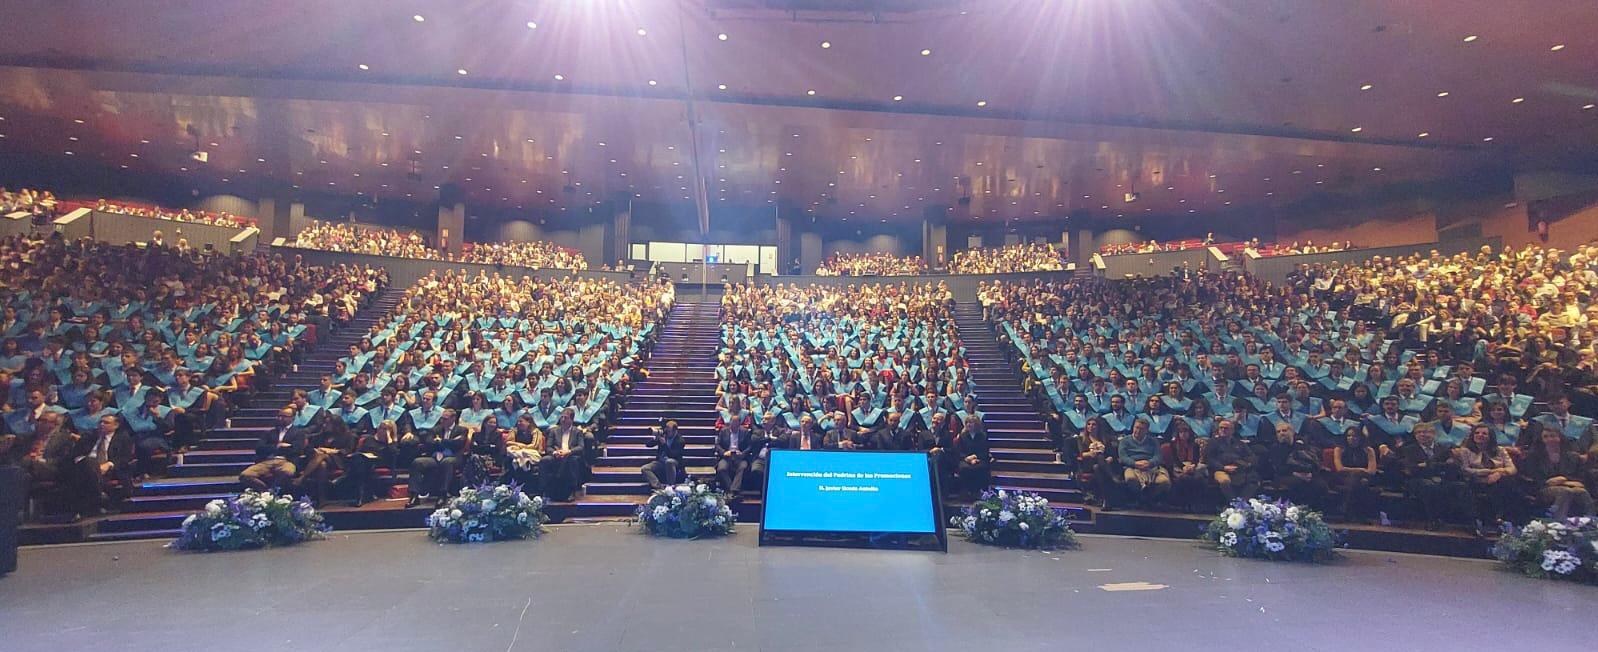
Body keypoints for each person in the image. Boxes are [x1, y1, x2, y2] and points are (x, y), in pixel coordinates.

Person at [1397, 422, 1468, 529]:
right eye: (1418, 432)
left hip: (1442, 478)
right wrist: (1437, 466)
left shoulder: (1444, 449)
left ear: (1434, 434)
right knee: (1429, 486)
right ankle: (1434, 520)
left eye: (1426, 432)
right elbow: (1412, 469)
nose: (1422, 435)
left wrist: (1426, 465)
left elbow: (1452, 467)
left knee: (1461, 486)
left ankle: (1469, 522)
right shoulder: (1408, 449)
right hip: (1417, 480)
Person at [1457, 422, 1520, 534]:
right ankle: (1487, 522)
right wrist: (1490, 472)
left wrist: (1499, 473)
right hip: (1475, 481)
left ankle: (1505, 521)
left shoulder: (1500, 450)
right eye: (1477, 433)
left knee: (1509, 482)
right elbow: (1465, 470)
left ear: (1490, 436)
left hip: (1498, 481)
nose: (1480, 435)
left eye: (1484, 433)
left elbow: (1512, 469)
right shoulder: (1465, 451)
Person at [1520, 426, 1594, 521]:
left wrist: (1562, 480)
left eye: (1553, 436)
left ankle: (1591, 521)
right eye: (1546, 437)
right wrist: (1553, 482)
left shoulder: (1573, 457)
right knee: (1565, 491)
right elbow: (1535, 478)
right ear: (1542, 440)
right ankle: (1558, 522)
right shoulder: (1534, 457)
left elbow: (1580, 479)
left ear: (1559, 438)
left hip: (1571, 486)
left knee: (1582, 492)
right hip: (1542, 489)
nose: (1549, 439)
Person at [239, 407, 307, 493]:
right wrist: (278, 446)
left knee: (287, 472)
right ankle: (266, 492)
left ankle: (274, 491)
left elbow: (296, 450)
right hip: (268, 461)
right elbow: (259, 448)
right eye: (279, 416)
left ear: (292, 418)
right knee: (245, 475)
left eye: (284, 416)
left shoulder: (299, 433)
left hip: (287, 461)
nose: (280, 418)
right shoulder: (269, 432)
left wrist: (272, 448)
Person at [407, 408, 466, 507]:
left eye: (445, 419)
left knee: (447, 462)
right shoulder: (435, 429)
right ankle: (414, 495)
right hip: (435, 457)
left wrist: (440, 441)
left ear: (453, 418)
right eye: (442, 418)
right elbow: (429, 443)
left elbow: (458, 444)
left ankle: (442, 494)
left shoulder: (462, 430)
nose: (442, 421)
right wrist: (448, 442)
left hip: (454, 457)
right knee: (417, 462)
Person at [1202, 418, 1258, 503]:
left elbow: (1251, 456)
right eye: (1221, 428)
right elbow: (1209, 459)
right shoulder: (1212, 442)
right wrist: (1224, 467)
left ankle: (1241, 503)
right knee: (1225, 481)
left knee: (1254, 480)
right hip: (1220, 470)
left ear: (1232, 430)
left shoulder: (1239, 443)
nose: (1223, 430)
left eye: (1226, 428)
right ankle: (1233, 503)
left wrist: (1246, 464)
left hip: (1239, 469)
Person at [1117, 417, 1169, 507]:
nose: (1138, 430)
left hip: (1151, 467)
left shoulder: (1153, 441)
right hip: (1132, 467)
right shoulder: (1124, 441)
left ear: (1146, 430)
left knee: (1164, 481)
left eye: (1141, 429)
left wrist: (1150, 463)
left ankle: (1147, 499)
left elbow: (1158, 456)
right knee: (1130, 479)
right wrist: (1135, 463)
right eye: (1136, 427)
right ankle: (1142, 499)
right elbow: (1123, 457)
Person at [540, 408, 589, 501]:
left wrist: (569, 451)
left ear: (571, 419)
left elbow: (581, 447)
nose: (562, 420)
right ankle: (544, 491)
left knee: (572, 460)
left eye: (565, 418)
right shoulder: (554, 431)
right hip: (556, 455)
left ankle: (572, 491)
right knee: (544, 460)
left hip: (571, 455)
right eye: (561, 417)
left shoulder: (577, 432)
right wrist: (555, 452)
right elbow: (548, 447)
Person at [349, 419, 399, 506]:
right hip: (365, 461)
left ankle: (360, 495)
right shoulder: (369, 439)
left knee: (360, 464)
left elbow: (393, 455)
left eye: (386, 429)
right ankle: (362, 495)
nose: (382, 431)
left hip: (381, 461)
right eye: (381, 428)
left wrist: (389, 439)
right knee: (359, 460)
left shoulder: (392, 442)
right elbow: (360, 451)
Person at [714, 410, 758, 495]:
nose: (734, 425)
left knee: (743, 467)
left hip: (740, 457)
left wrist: (742, 453)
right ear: (730, 422)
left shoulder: (745, 432)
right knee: (721, 468)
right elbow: (717, 445)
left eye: (736, 423)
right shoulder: (723, 431)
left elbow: (749, 446)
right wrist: (724, 453)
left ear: (739, 423)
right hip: (727, 456)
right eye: (733, 423)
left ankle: (734, 490)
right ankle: (732, 489)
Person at [952, 413, 992, 498]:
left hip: (980, 459)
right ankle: (966, 492)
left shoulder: (982, 436)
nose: (969, 424)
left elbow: (985, 450)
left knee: (980, 467)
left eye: (971, 422)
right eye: (967, 422)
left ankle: (979, 492)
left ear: (977, 424)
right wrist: (967, 458)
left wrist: (976, 458)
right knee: (964, 468)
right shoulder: (962, 436)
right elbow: (959, 451)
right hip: (965, 459)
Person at [641, 420, 685, 491]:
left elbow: (673, 455)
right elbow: (648, 445)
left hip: (674, 463)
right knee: (645, 468)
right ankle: (659, 487)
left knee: (669, 461)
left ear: (675, 431)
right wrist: (656, 438)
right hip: (661, 462)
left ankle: (670, 485)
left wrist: (664, 444)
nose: (667, 431)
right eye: (666, 429)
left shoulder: (680, 440)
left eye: (669, 430)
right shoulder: (664, 435)